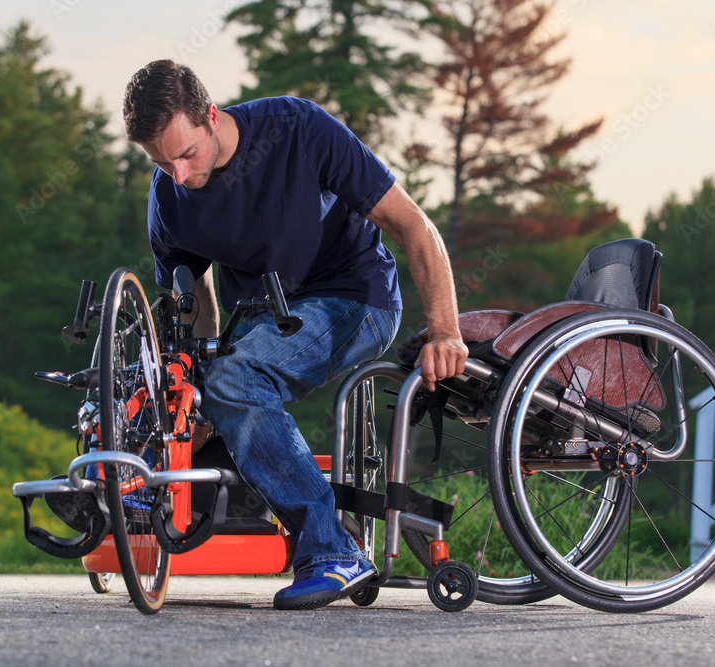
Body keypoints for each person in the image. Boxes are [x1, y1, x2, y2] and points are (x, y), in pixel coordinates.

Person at [123, 59, 467, 610]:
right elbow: (194, 298)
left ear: (211, 116)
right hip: (262, 319)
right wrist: (190, 381)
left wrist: (445, 330)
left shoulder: (298, 130)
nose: (179, 175)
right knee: (188, 397)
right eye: (161, 163)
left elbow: (412, 224)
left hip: (355, 296)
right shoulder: (169, 198)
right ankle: (142, 511)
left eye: (186, 154)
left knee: (235, 378)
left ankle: (333, 551)